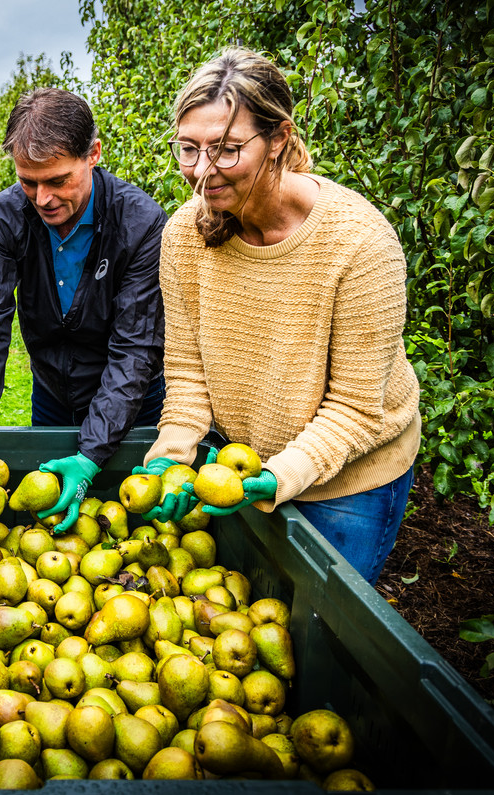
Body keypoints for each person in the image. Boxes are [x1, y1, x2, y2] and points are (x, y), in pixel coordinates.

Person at [134, 46, 421, 585]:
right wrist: (170, 456)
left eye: (226, 150)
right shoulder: (185, 237)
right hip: (248, 463)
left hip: (349, 481)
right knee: (253, 612)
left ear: (280, 140)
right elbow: (189, 373)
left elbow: (357, 407)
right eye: (188, 149)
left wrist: (284, 474)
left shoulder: (359, 244)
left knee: (323, 626)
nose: (202, 172)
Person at [0, 88, 168, 533]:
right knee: (57, 528)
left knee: (131, 523)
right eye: (27, 182)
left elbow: (136, 347)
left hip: (135, 406)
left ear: (93, 154)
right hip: (52, 396)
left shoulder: (140, 223)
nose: (42, 197)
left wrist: (90, 455)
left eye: (58, 181)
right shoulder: (2, 219)